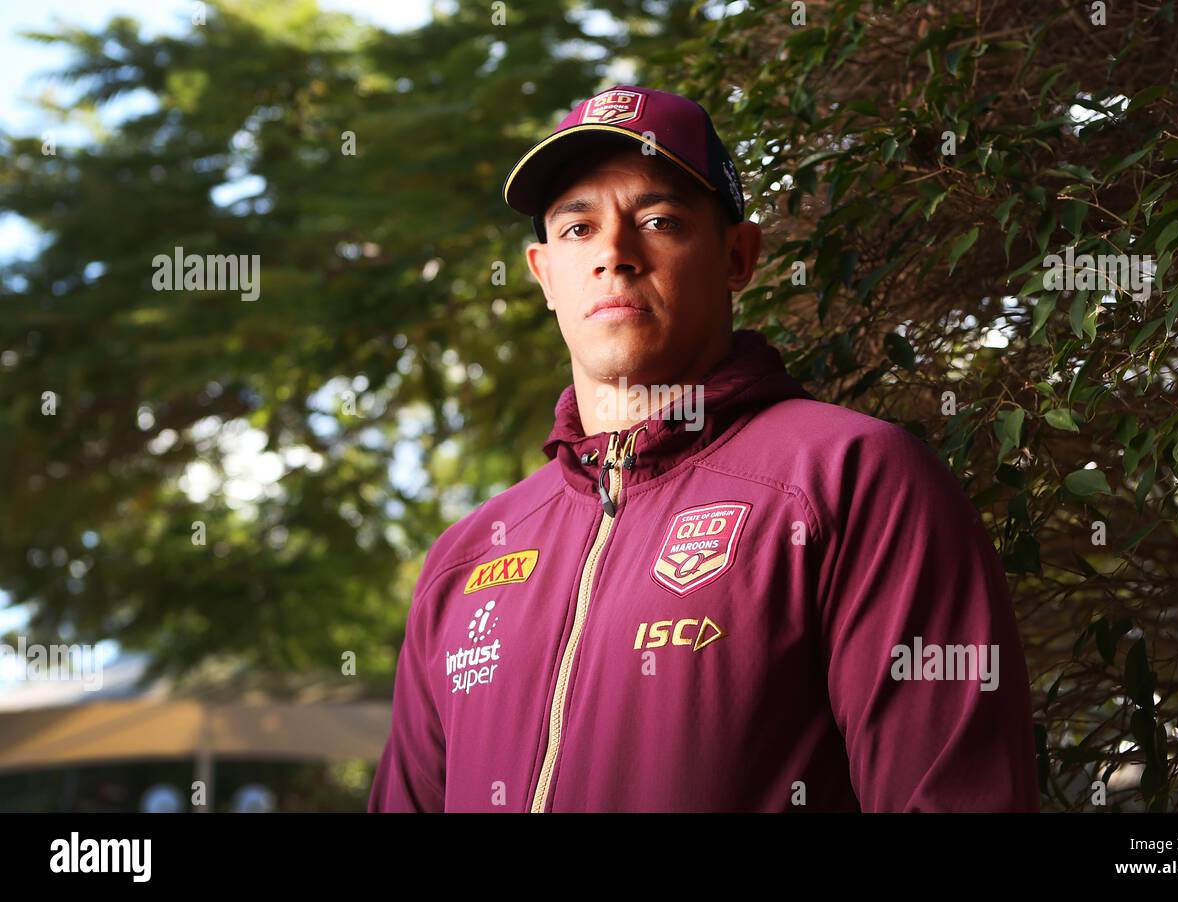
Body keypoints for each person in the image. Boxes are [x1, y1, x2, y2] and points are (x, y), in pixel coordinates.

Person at [368, 85, 1040, 813]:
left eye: (658, 220)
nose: (614, 256)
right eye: (578, 229)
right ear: (543, 275)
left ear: (736, 256)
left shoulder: (852, 480)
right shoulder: (465, 562)